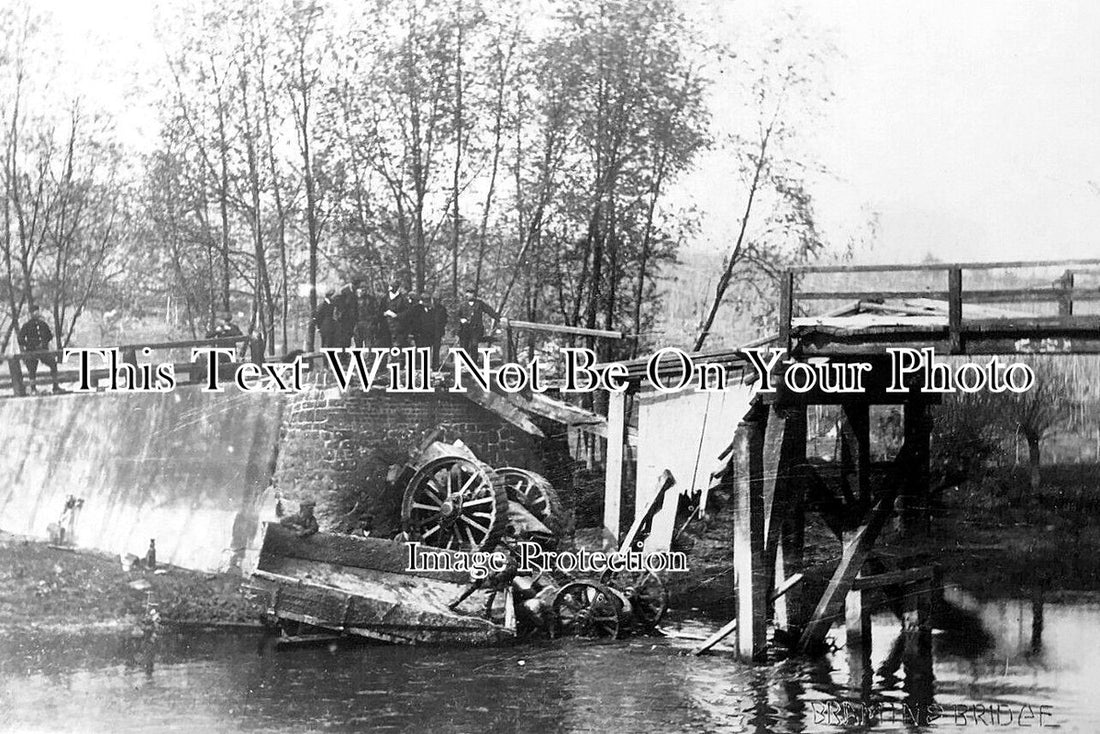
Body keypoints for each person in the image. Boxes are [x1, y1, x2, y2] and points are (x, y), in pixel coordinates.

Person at [17, 304, 62, 394]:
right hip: (31, 351)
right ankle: (33, 389)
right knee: (32, 368)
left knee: (53, 363)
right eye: (34, 312)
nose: (36, 313)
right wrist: (30, 345)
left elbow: (49, 336)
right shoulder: (27, 325)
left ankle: (56, 386)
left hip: (43, 350)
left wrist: (44, 343)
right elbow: (20, 339)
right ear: (30, 314)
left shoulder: (43, 324)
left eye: (37, 311)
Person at [456, 288, 499, 355]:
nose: (467, 294)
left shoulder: (479, 304)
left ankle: (474, 363)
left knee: (474, 345)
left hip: (476, 330)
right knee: (464, 348)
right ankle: (465, 363)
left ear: (473, 294)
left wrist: (499, 318)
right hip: (465, 330)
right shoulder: (462, 305)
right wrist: (461, 320)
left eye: (470, 293)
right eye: (467, 293)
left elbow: (490, 311)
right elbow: (457, 316)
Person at [332, 279, 360, 349]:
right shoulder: (343, 290)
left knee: (349, 336)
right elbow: (335, 299)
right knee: (343, 337)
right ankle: (342, 354)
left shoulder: (354, 291)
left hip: (351, 319)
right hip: (343, 318)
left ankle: (346, 354)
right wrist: (341, 312)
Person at [422, 293, 448, 368]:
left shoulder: (442, 309)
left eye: (438, 299)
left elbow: (445, 320)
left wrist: (442, 329)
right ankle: (426, 365)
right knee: (427, 349)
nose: (437, 301)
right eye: (435, 299)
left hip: (438, 332)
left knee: (436, 349)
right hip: (429, 332)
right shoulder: (429, 308)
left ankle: (435, 365)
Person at [383, 280, 412, 347]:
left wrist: (397, 315)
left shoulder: (403, 299)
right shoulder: (385, 298)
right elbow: (380, 310)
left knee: (398, 348)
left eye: (392, 287)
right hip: (386, 327)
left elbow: (408, 312)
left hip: (398, 328)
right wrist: (384, 313)